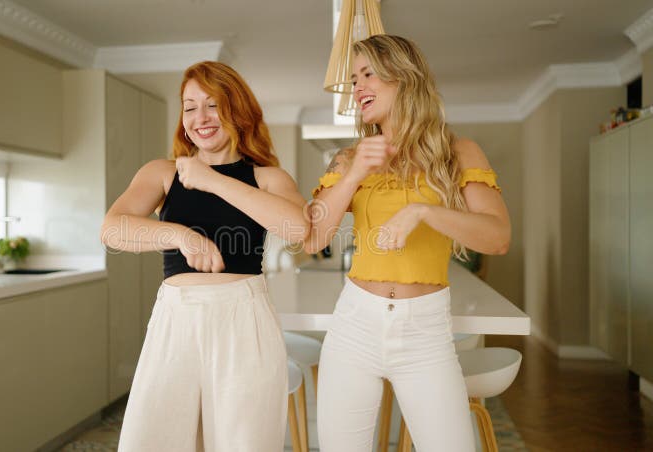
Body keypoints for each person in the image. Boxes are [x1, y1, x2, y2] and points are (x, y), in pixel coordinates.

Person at [305, 34, 511, 452]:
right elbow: (313, 237)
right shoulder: (349, 158)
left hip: (426, 333)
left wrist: (424, 212)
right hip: (354, 327)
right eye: (354, 79)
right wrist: (354, 172)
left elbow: (498, 237)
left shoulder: (458, 152)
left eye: (368, 74)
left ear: (404, 77)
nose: (358, 87)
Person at [101, 61, 308, 452]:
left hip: (243, 321)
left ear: (238, 110)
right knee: (155, 439)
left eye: (213, 105)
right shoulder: (163, 173)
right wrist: (182, 237)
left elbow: (300, 230)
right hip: (176, 319)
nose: (200, 118)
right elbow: (112, 228)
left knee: (242, 442)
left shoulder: (267, 178)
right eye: (189, 106)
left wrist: (213, 180)